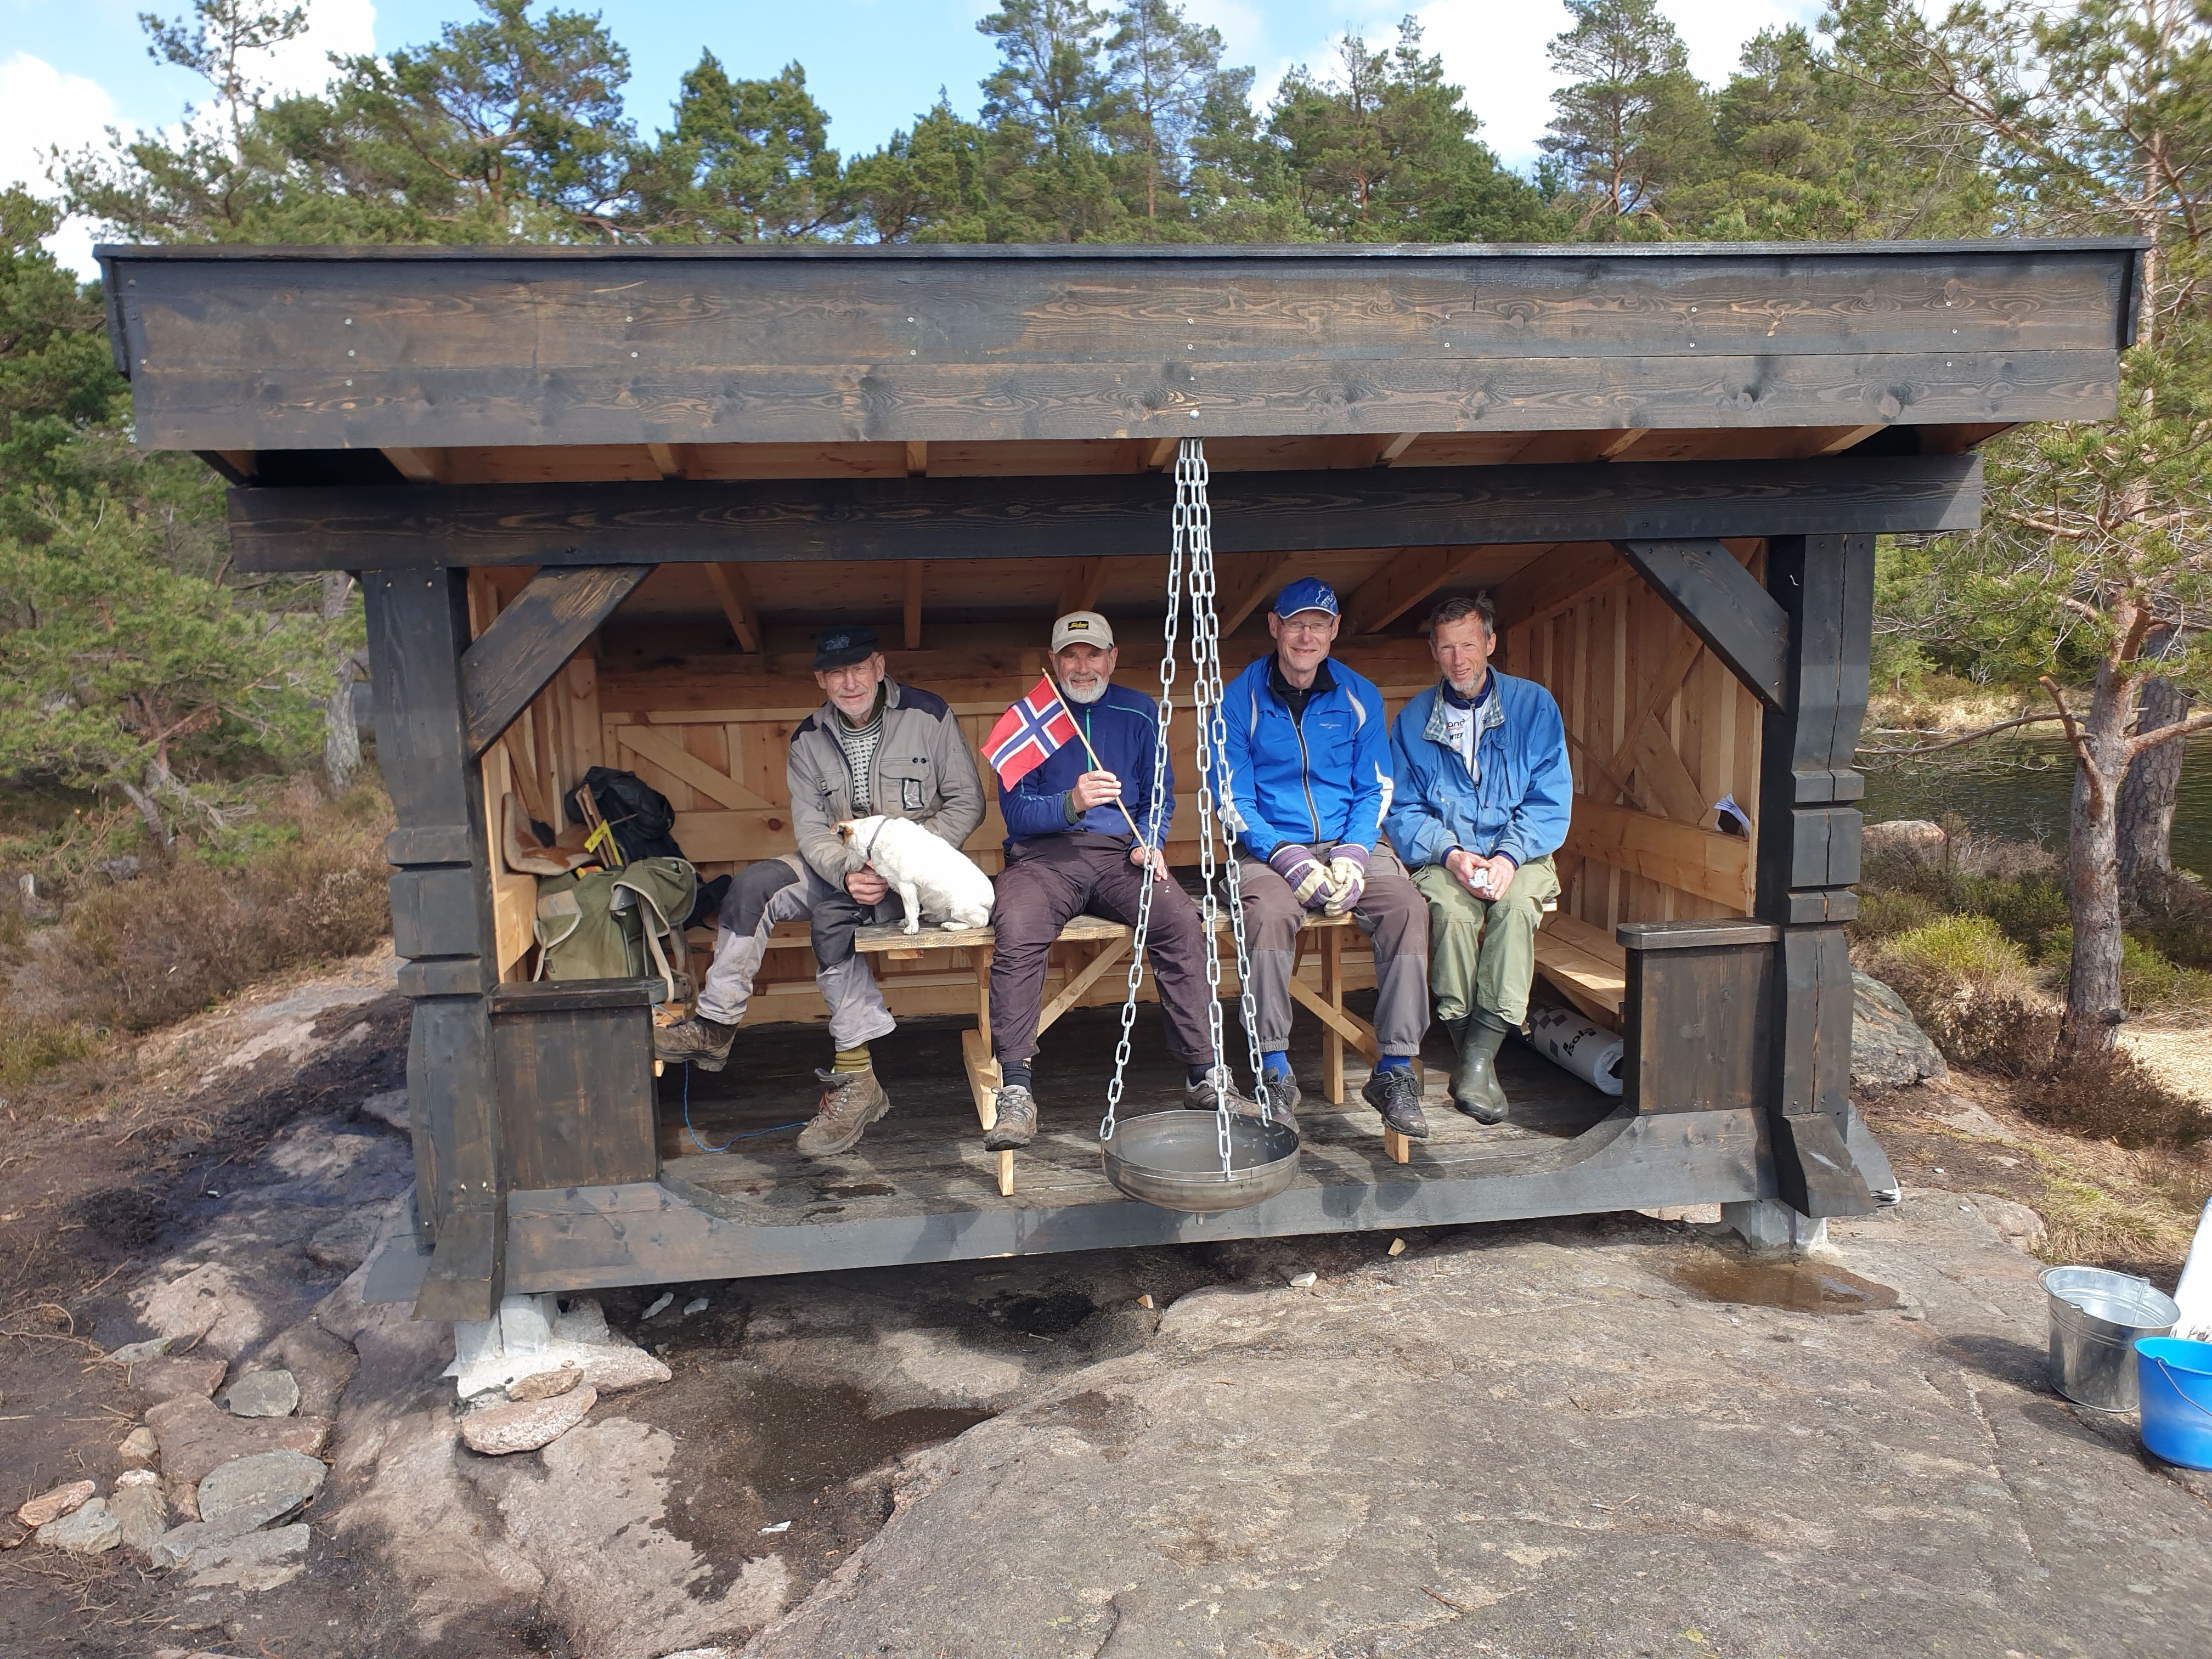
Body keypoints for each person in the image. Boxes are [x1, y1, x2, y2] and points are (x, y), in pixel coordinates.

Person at [654, 625, 984, 1156]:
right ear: (820, 679)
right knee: (752, 884)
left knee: (834, 918)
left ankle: (857, 1081)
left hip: (915, 874)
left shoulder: (929, 715)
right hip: (841, 867)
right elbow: (809, 827)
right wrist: (845, 872)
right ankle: (714, 1027)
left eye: (858, 669)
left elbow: (967, 802)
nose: (849, 682)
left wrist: (898, 861)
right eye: (836, 673)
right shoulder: (808, 737)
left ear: (878, 667)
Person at [981, 611, 1251, 1149]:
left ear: (1112, 657)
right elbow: (1018, 816)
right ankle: (1015, 1087)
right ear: (1055, 662)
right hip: (1043, 858)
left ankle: (1204, 1074)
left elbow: (1159, 797)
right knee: (1016, 928)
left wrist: (1148, 841)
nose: (1082, 667)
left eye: (1093, 654)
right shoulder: (1030, 715)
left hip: (1119, 855)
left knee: (1181, 921)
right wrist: (1074, 802)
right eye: (1070, 656)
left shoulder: (1140, 710)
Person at [1221, 577, 1431, 1139]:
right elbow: (1232, 798)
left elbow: (1376, 787)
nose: (1307, 635)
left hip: (1348, 842)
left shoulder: (1359, 694)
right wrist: (1289, 859)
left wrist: (1355, 856)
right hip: (1268, 847)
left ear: (1334, 630)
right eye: (1296, 623)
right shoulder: (1239, 699)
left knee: (1408, 907)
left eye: (1318, 624)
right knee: (1267, 914)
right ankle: (1273, 1069)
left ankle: (1395, 1069)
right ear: (1275, 626)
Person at [1383, 594, 1573, 1125]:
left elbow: (1549, 798)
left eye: (1469, 644)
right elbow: (1401, 807)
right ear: (1434, 651)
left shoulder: (1533, 706)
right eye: (1447, 647)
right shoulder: (1416, 717)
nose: (1458, 659)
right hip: (1444, 857)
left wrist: (1510, 857)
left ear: (1490, 643)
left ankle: (1478, 1057)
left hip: (1525, 851)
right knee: (1449, 913)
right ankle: (1475, 1057)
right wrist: (1451, 854)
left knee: (1514, 911)